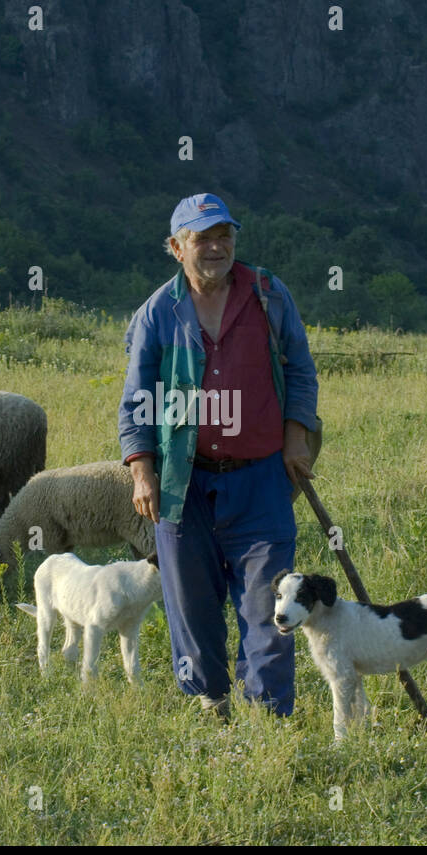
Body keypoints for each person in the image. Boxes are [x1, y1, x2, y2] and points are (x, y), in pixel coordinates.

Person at [118, 192, 319, 717]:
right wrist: (142, 472)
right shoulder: (158, 313)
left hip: (260, 480)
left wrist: (296, 435)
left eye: (223, 236)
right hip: (184, 482)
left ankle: (268, 713)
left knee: (269, 602)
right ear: (176, 247)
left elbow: (300, 369)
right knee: (191, 606)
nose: (215, 247)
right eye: (202, 238)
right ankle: (209, 702)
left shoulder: (269, 296)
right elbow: (137, 399)